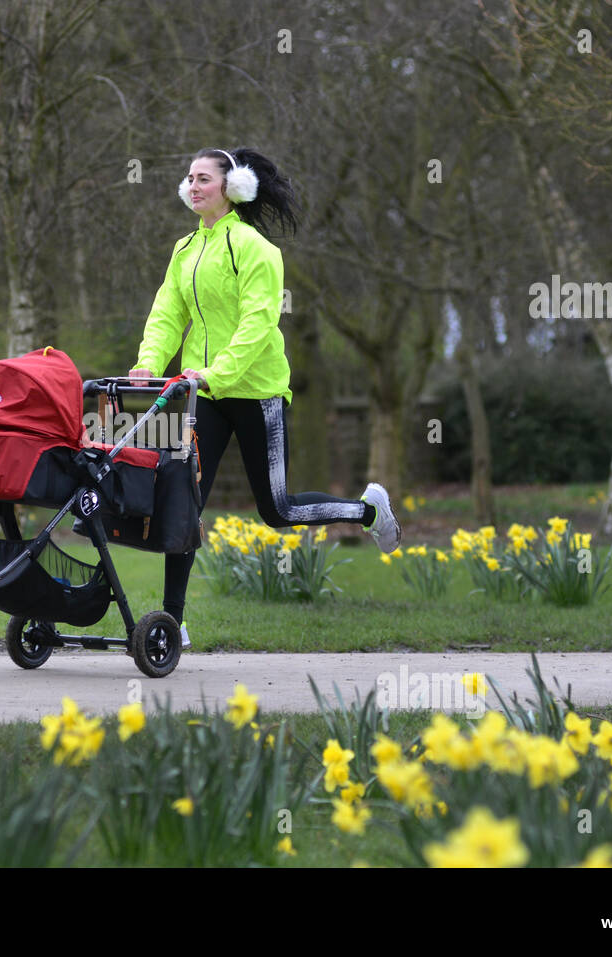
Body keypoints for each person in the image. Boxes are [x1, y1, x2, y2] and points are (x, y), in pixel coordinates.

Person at [128, 146, 402, 645]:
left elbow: (258, 324)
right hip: (202, 394)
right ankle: (173, 623)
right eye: (189, 178)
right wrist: (150, 362)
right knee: (182, 503)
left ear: (231, 188)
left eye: (204, 178)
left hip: (257, 392)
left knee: (276, 510)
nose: (193, 186)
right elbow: (167, 313)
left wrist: (216, 372)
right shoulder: (183, 251)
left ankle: (368, 511)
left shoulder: (257, 250)